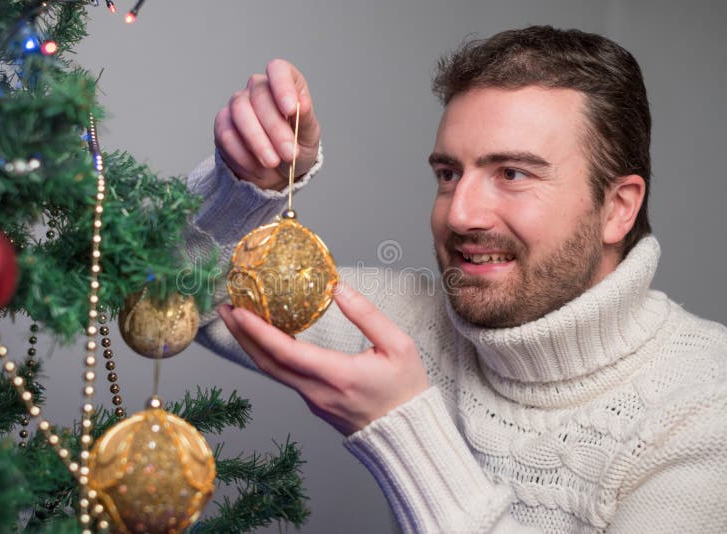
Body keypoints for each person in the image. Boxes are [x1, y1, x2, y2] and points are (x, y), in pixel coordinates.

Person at [185, 26, 727, 533]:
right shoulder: (405, 324)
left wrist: (402, 428)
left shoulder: (706, 407)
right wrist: (246, 189)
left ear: (618, 208)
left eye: (512, 174)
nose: (460, 214)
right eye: (449, 174)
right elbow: (178, 298)